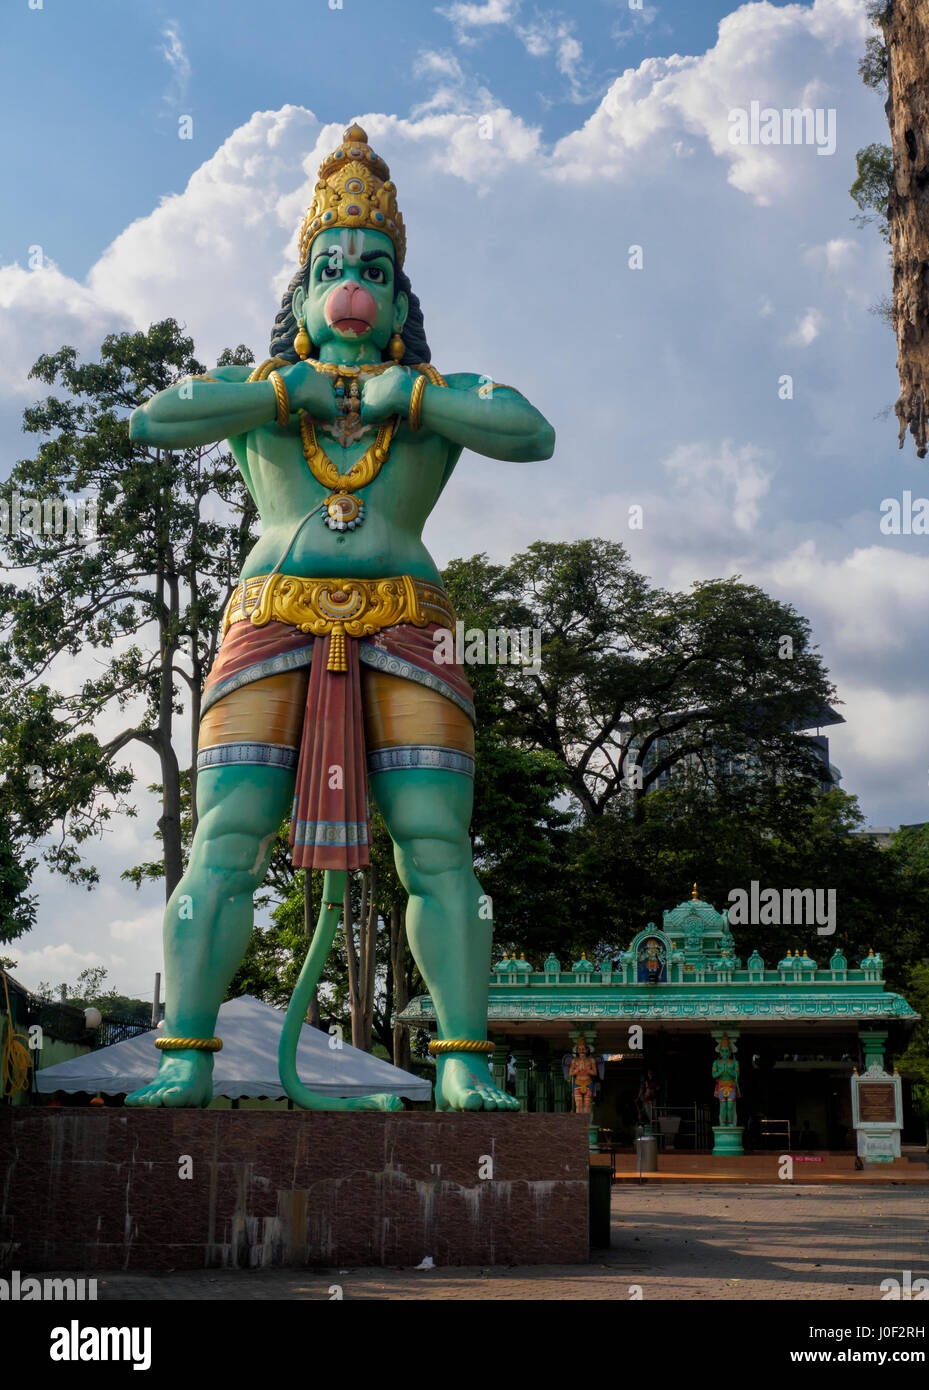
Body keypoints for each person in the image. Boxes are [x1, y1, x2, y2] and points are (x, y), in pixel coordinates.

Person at [124, 125, 555, 1112]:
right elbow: (153, 417)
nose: (353, 281)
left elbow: (533, 432)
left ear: (401, 302)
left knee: (438, 843)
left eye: (373, 268)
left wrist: (413, 395)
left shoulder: (436, 398)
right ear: (304, 297)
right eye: (332, 266)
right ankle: (185, 1053)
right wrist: (287, 384)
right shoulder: (265, 400)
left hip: (408, 621)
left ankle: (460, 1058)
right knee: (226, 836)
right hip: (272, 615)